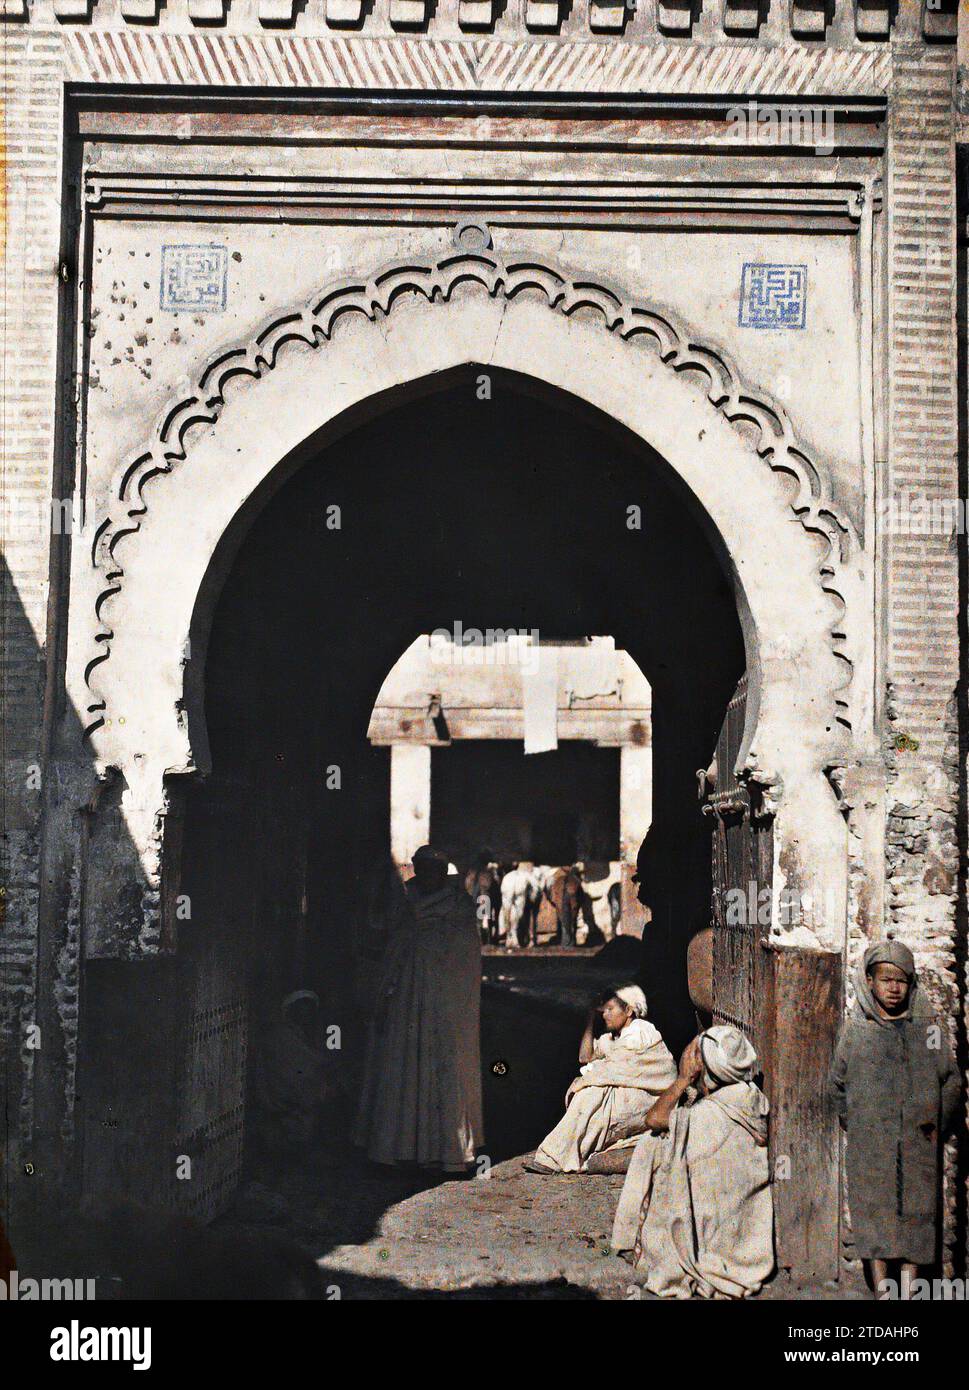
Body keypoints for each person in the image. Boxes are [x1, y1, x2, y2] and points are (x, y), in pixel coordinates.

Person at [829, 940, 960, 1294]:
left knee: (917, 1217)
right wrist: (855, 1122)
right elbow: (838, 1084)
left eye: (901, 980)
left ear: (910, 983)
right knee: (874, 1215)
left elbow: (951, 1080)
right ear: (870, 981)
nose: (893, 988)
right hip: (871, 1145)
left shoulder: (927, 1027)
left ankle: (910, 1291)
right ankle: (884, 1293)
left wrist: (937, 1124)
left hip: (918, 1144)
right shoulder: (856, 1030)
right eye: (885, 979)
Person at [612, 1024, 774, 1298]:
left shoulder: (708, 1114)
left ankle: (639, 1242)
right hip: (737, 1221)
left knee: (653, 1143)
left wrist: (683, 1079)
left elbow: (653, 1118)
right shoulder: (748, 1097)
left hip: (718, 1228)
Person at [353, 846, 483, 1171]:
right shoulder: (402, 902)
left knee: (440, 1069)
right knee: (401, 1066)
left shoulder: (458, 906)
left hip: (443, 1003)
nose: (428, 875)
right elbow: (384, 937)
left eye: (435, 869)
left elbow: (465, 958)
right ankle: (397, 1148)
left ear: (443, 872)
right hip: (403, 1001)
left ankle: (441, 1149)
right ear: (415, 869)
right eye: (422, 868)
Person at [524, 985, 677, 1174]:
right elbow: (584, 1057)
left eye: (610, 1009)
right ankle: (558, 1155)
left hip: (650, 1098)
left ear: (629, 1010)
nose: (605, 1015)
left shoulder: (642, 1032)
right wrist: (589, 1019)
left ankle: (556, 1156)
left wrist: (589, 1078)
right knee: (593, 1090)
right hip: (629, 1092)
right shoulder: (612, 1038)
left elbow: (623, 1068)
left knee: (594, 1092)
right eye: (603, 1011)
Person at [249, 991, 328, 1155]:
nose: (306, 1015)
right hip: (283, 1102)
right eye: (301, 1009)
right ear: (291, 1011)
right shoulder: (280, 1037)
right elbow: (290, 1073)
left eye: (310, 1010)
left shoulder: (308, 1035)